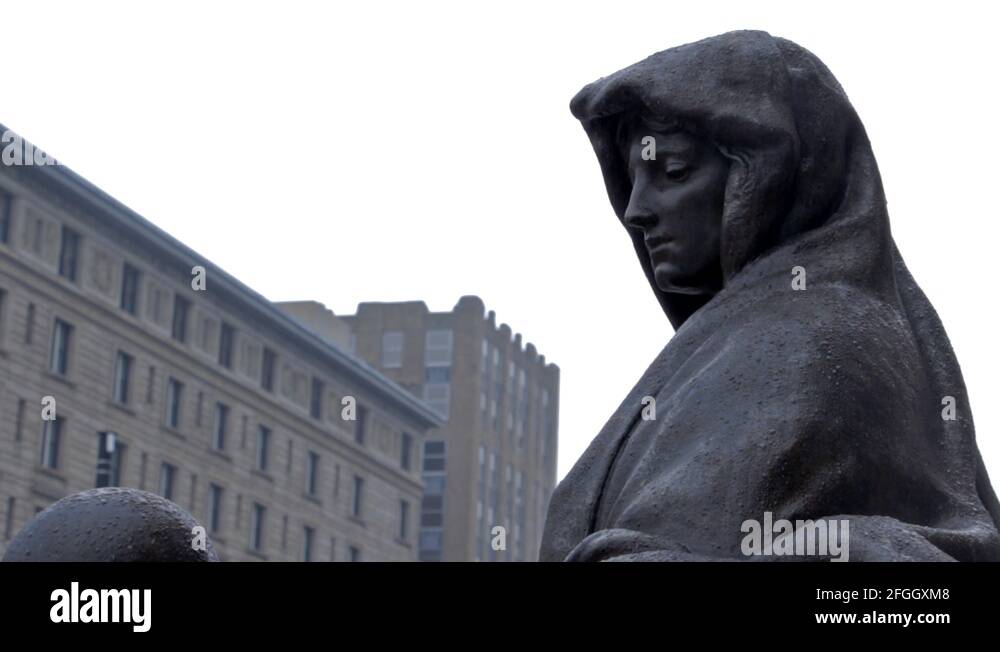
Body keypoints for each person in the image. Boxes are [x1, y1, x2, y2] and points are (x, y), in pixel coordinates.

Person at [540, 30, 1000, 562]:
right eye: (633, 180)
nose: (635, 210)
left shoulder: (820, 334)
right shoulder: (732, 347)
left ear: (766, 177)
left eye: (672, 172)